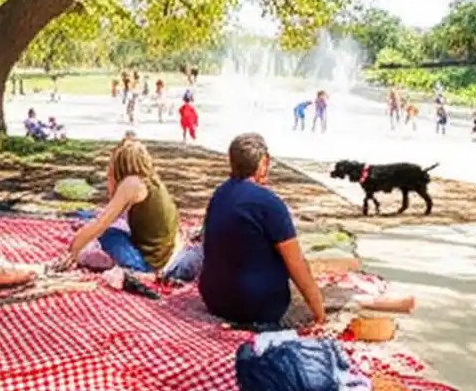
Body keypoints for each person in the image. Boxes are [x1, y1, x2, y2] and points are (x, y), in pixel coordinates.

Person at [199, 133, 324, 328]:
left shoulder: (219, 194)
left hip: (214, 299)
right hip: (258, 307)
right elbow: (296, 264)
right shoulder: (269, 203)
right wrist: (318, 311)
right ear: (263, 162)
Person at [55, 138, 180, 274]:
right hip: (165, 256)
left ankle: (120, 264)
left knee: (108, 233)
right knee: (94, 218)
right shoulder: (152, 181)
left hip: (147, 264)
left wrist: (71, 252)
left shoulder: (132, 184)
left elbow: (100, 224)